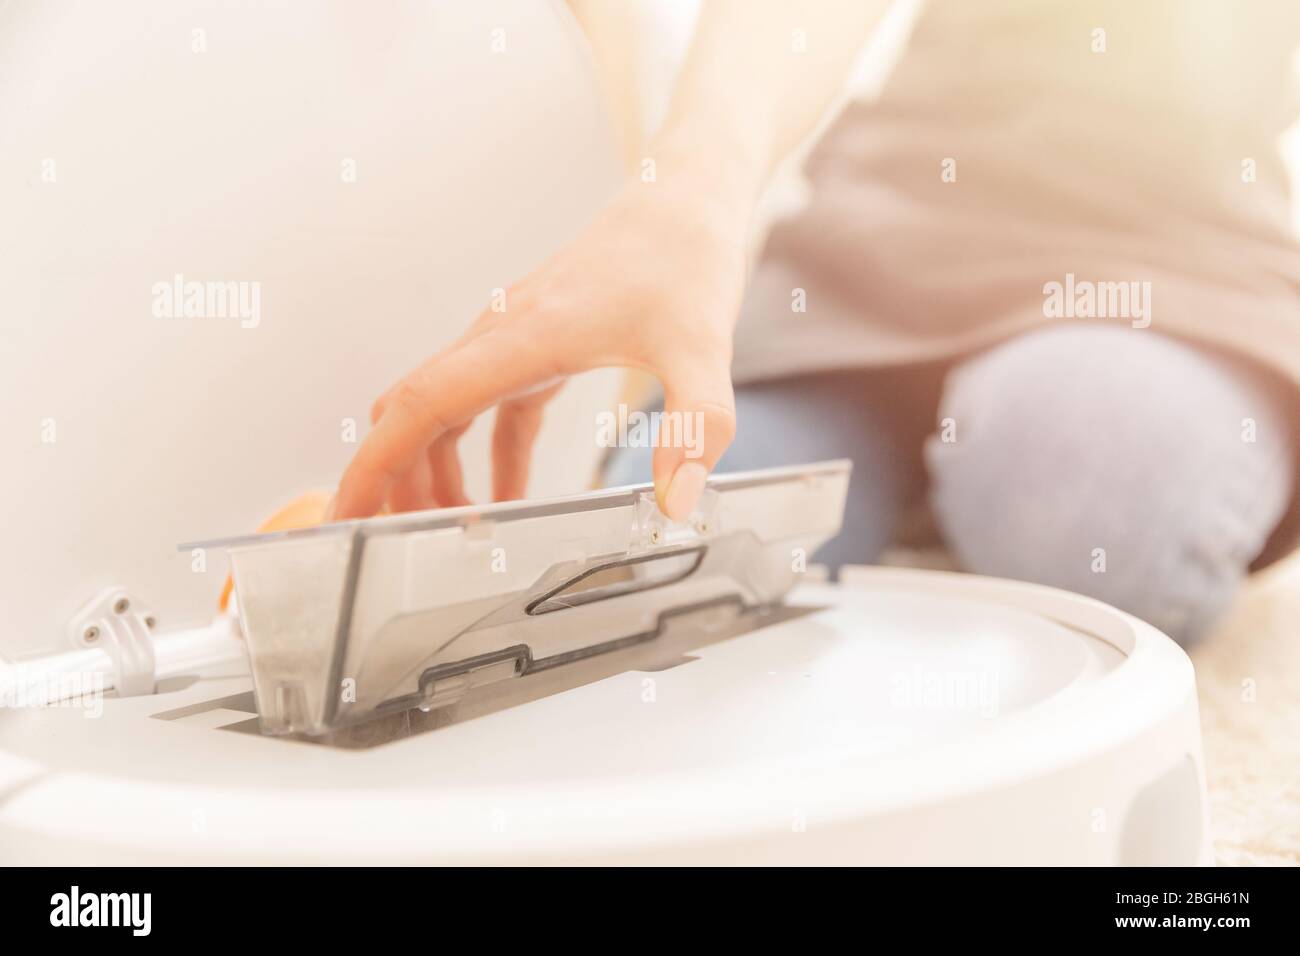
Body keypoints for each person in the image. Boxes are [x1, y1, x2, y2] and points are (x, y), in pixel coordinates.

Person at [332, 0, 1300, 645]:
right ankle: (935, 461)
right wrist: (694, 191)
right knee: (650, 554)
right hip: (887, 238)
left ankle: (967, 468)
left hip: (1173, 253)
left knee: (1083, 497)